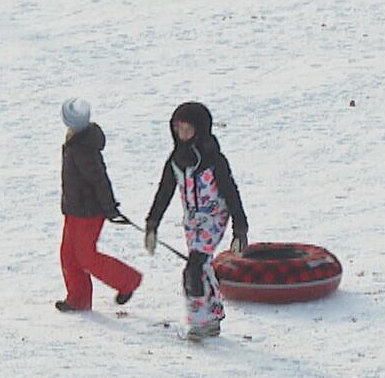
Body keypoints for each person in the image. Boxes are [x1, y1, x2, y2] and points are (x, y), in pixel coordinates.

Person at [144, 102, 248, 341]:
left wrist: (240, 229)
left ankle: (199, 322)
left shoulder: (213, 159)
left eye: (187, 129)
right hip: (192, 221)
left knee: (193, 269)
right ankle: (213, 315)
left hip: (215, 217)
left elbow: (232, 192)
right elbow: (164, 192)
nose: (181, 134)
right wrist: (152, 224)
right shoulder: (176, 161)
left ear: (200, 129)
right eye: (177, 129)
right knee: (202, 266)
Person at [57, 98, 143, 313]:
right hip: (75, 209)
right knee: (69, 255)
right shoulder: (76, 140)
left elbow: (99, 180)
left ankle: (127, 281)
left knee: (85, 256)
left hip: (88, 212)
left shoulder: (82, 148)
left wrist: (109, 208)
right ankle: (78, 299)